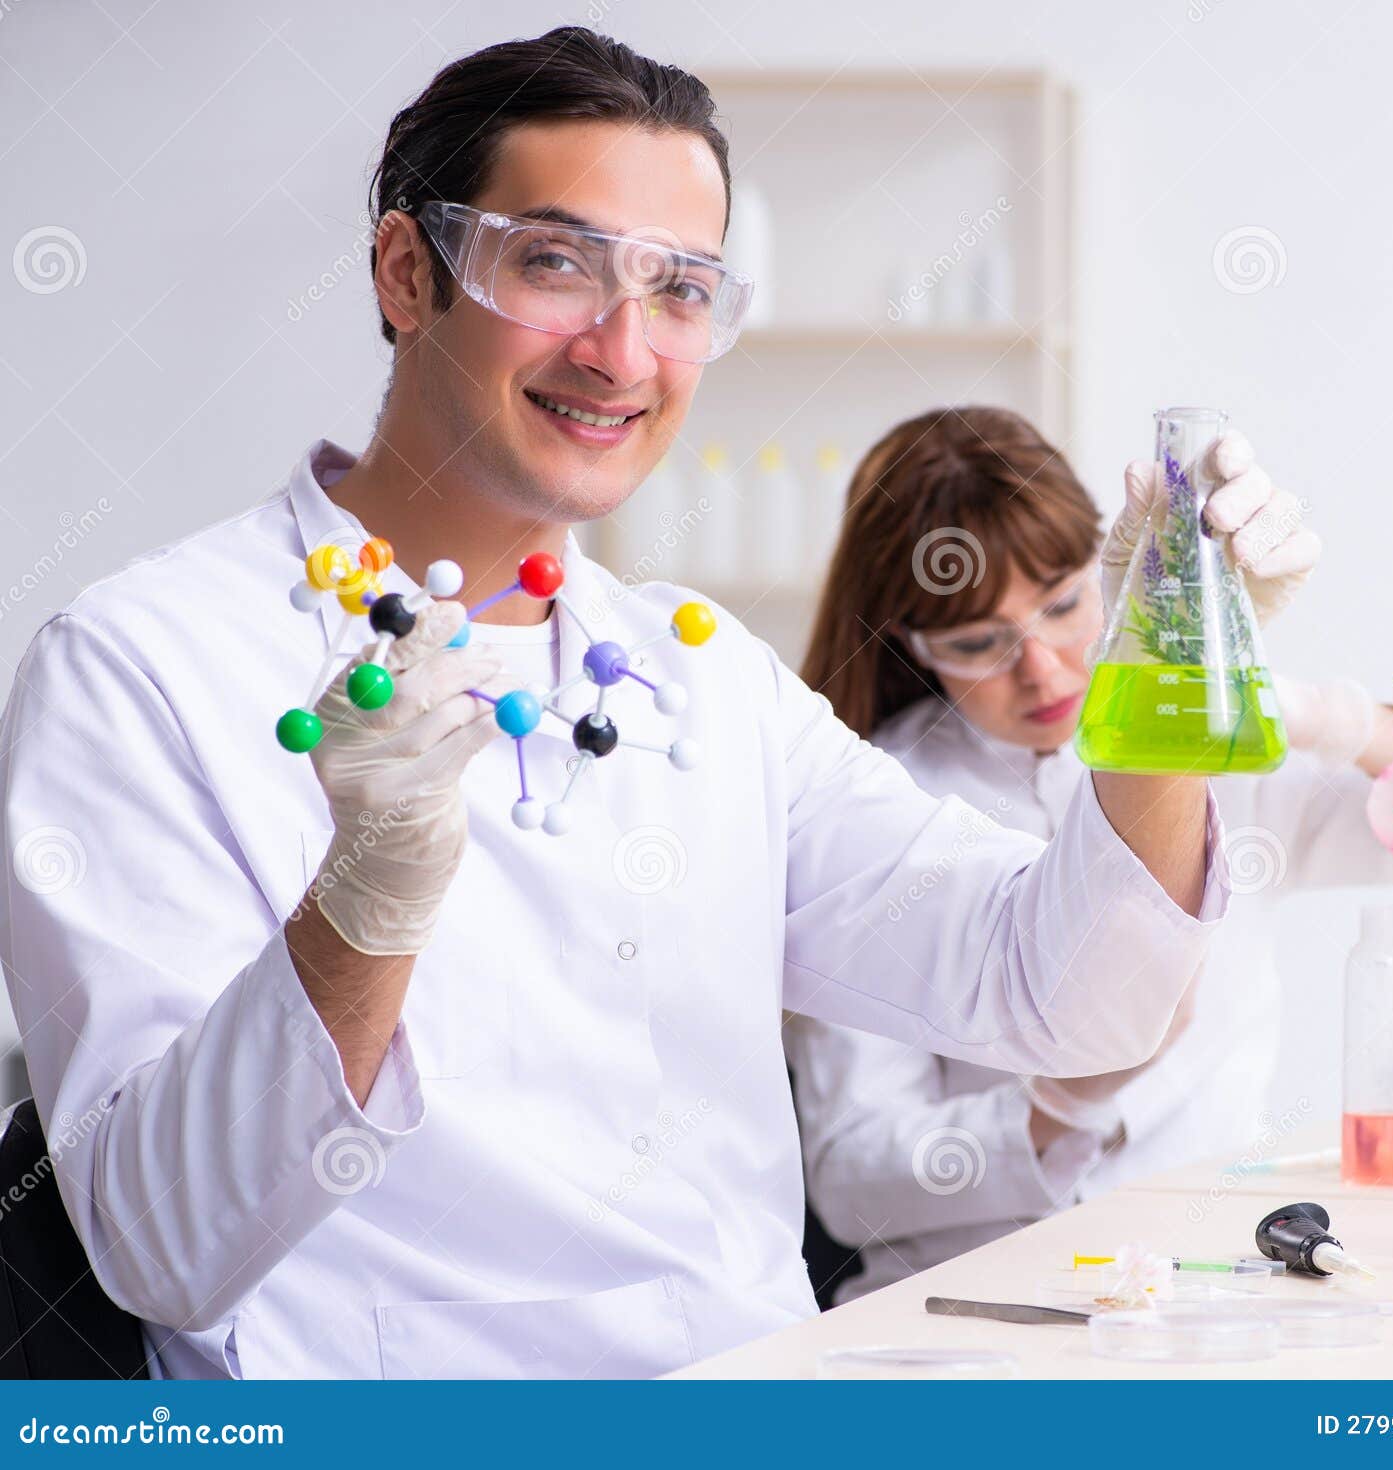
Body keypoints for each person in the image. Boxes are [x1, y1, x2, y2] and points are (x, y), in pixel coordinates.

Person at [0, 32, 1314, 1379]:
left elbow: (1061, 997)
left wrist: (1158, 675)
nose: (624, 350)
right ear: (410, 272)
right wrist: (365, 897)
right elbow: (155, 1244)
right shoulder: (142, 663)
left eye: (681, 288)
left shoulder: (698, 671)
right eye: (556, 263)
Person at [784, 405, 1393, 1304]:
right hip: (974, 1298)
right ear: (911, 643)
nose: (1046, 671)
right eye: (981, 642)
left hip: (1211, 1286)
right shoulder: (868, 797)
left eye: (1062, 604)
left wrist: (1339, 718)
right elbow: (852, 1187)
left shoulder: (1222, 758)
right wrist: (1060, 1106)